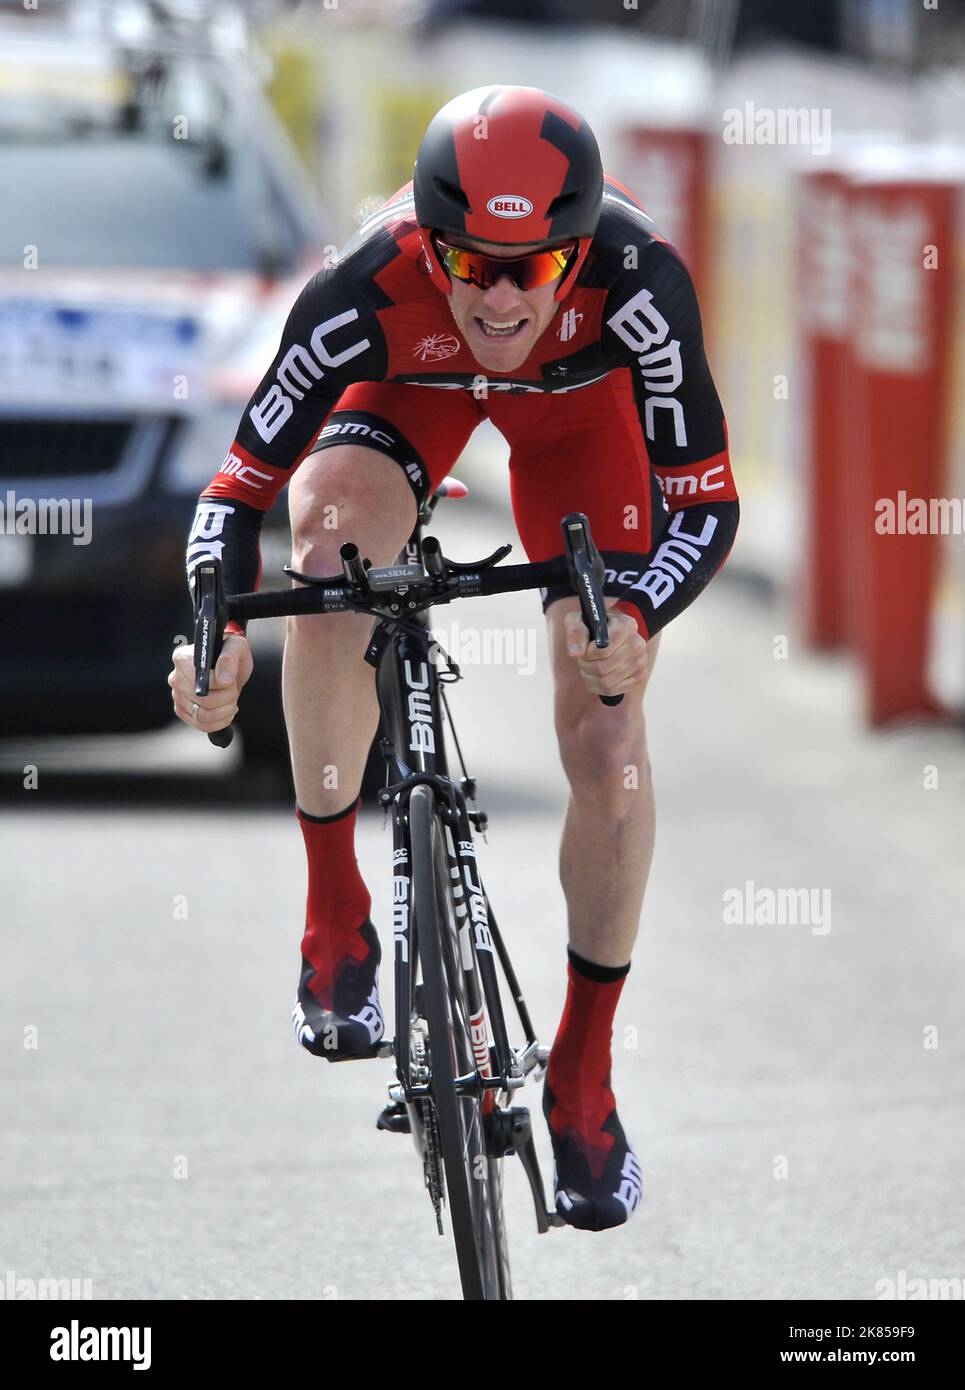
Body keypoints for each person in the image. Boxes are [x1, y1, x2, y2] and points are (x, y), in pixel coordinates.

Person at [169, 85, 739, 1232]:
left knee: (607, 718)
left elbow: (707, 505)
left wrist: (634, 614)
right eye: (465, 261)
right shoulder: (367, 285)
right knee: (326, 551)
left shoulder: (639, 283)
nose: (492, 292)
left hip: (581, 417)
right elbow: (232, 494)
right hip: (407, 389)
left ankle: (581, 1072)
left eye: (526, 270)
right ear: (428, 241)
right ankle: (335, 909)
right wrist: (214, 635)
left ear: (574, 258)